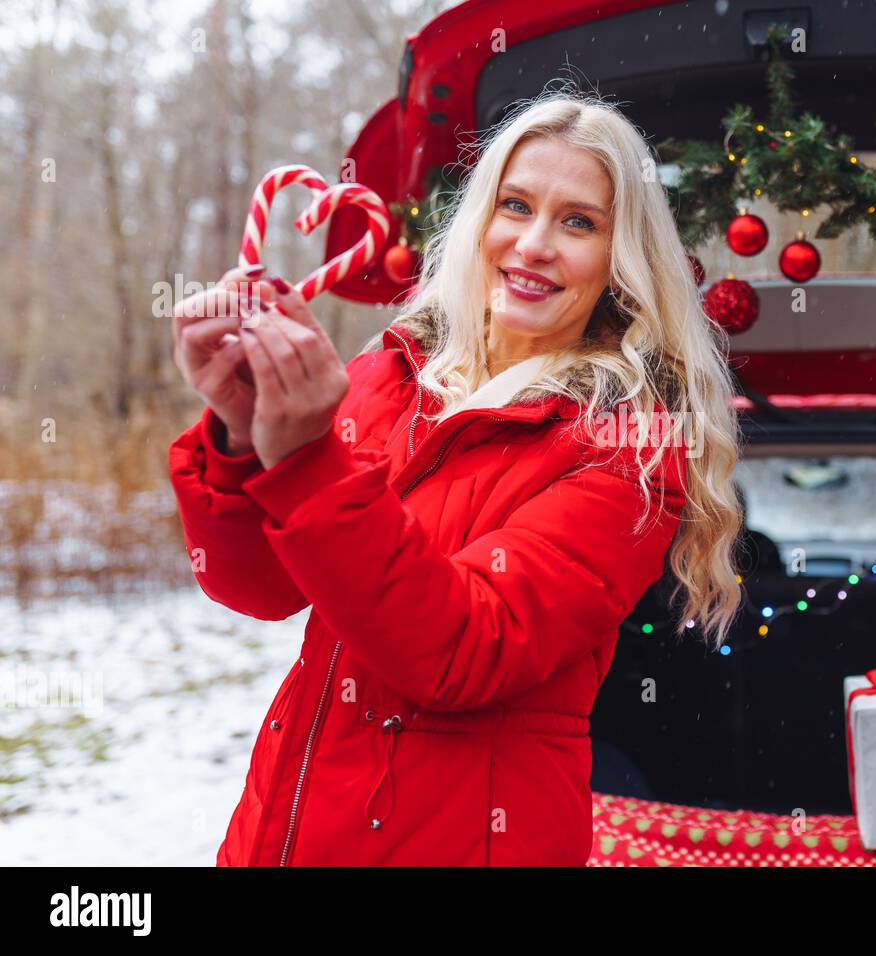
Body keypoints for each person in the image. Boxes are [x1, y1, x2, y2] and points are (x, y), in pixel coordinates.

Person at [167, 87, 744, 866]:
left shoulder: (628, 450)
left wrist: (308, 460)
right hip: (287, 830)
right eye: (515, 205)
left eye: (579, 222)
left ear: (620, 262)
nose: (534, 244)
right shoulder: (394, 372)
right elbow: (261, 588)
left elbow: (462, 650)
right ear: (481, 218)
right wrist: (241, 434)